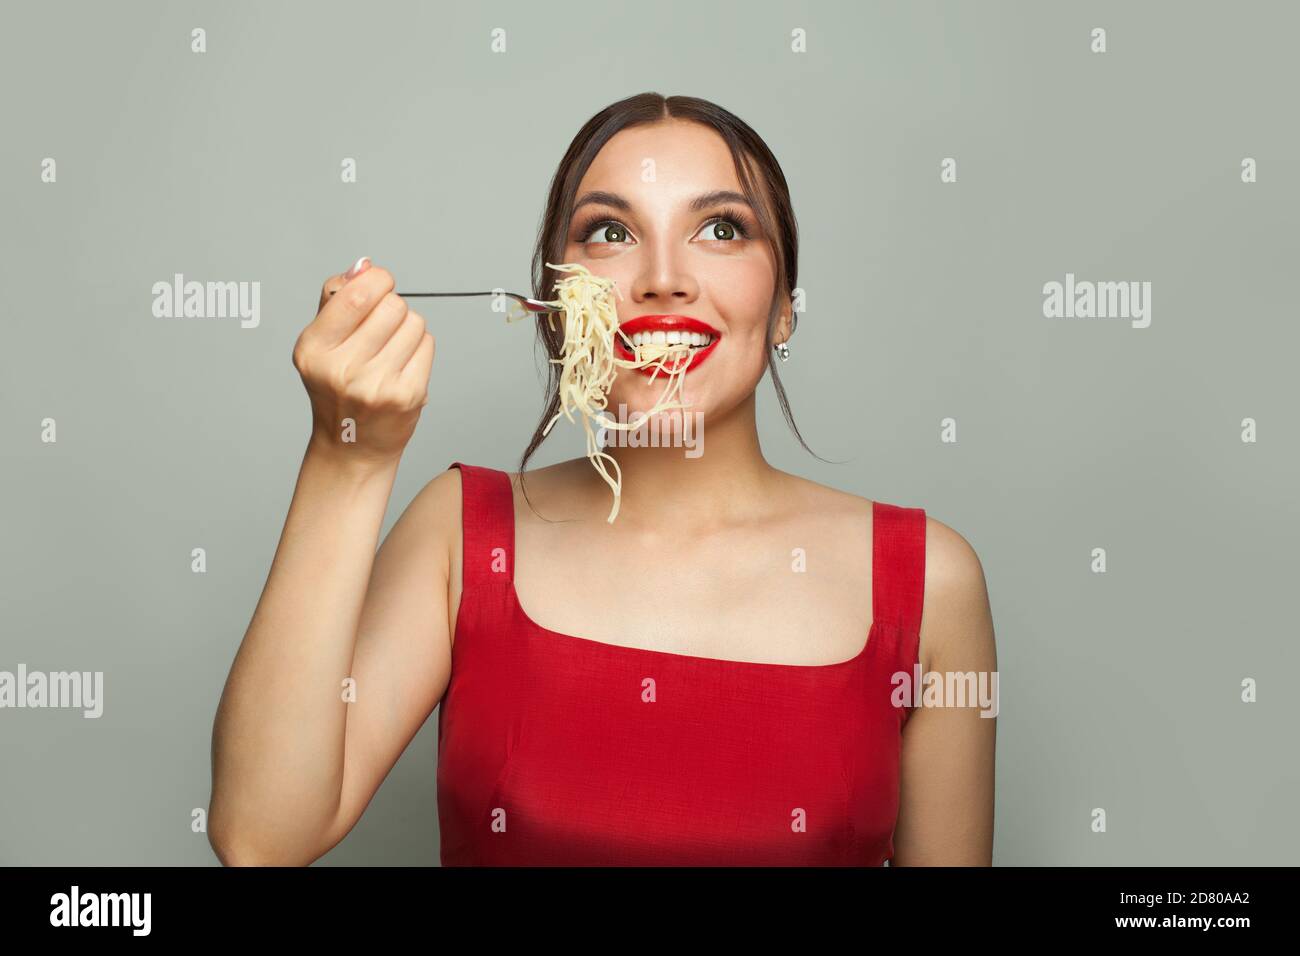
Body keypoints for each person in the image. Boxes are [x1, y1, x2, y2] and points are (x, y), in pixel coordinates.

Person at [208, 92, 996, 866]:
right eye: (611, 233)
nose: (662, 278)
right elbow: (262, 837)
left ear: (785, 307)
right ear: (554, 303)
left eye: (722, 229)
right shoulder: (463, 532)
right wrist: (349, 456)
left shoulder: (928, 581)